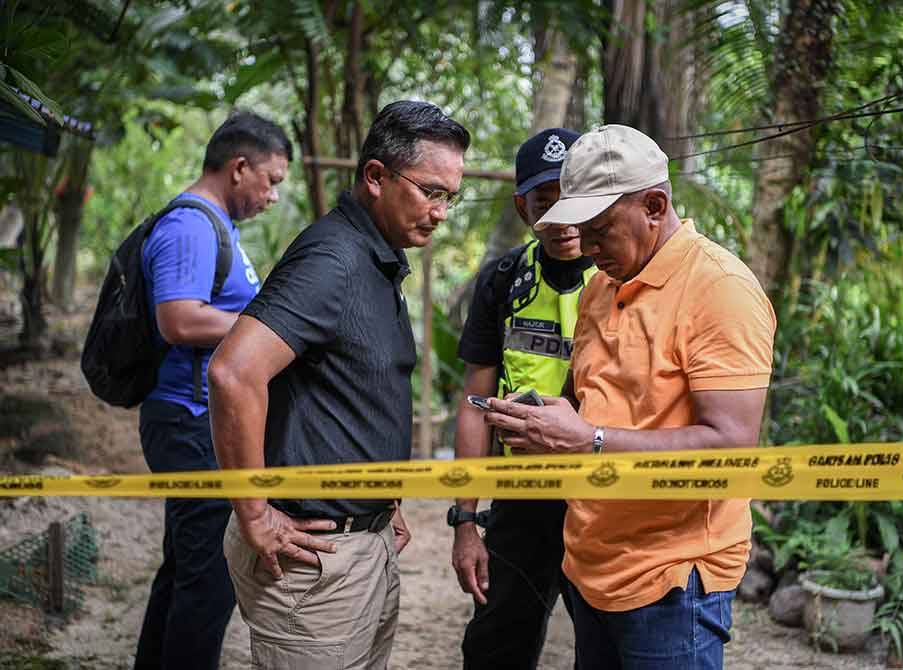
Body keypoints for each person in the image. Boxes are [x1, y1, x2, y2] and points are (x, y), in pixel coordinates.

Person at [483, 124, 777, 670]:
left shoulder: (720, 290)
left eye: (600, 231)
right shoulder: (602, 286)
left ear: (655, 205)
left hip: (672, 578)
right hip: (592, 564)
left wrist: (589, 440)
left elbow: (732, 447)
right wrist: (552, 420)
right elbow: (592, 398)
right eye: (580, 231)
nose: (587, 250)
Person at [208, 100, 470, 669]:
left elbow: (351, 391)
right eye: (431, 191)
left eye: (450, 195)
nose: (441, 211)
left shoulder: (377, 259)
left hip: (363, 543)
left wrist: (384, 498)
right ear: (376, 177)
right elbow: (233, 373)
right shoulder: (334, 258)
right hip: (315, 561)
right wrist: (253, 513)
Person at [134, 112, 291, 670]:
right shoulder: (192, 226)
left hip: (196, 418)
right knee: (208, 582)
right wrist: (265, 330)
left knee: (185, 568)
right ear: (239, 167)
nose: (273, 195)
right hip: (189, 419)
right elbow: (177, 319)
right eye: (270, 180)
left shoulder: (218, 227)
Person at [451, 128, 594, 670]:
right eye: (544, 201)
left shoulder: (622, 277)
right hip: (521, 497)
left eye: (572, 196)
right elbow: (474, 405)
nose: (562, 217)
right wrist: (466, 522)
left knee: (607, 646)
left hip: (600, 498)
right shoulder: (505, 280)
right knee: (496, 645)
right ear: (522, 206)